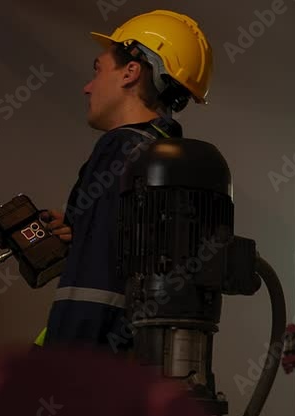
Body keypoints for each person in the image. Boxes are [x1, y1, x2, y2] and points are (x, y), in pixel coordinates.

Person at [37, 10, 213, 351]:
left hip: (89, 375)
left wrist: (55, 377)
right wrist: (83, 230)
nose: (87, 87)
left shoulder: (121, 149)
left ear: (131, 72)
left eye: (98, 69)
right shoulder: (169, 158)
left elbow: (93, 292)